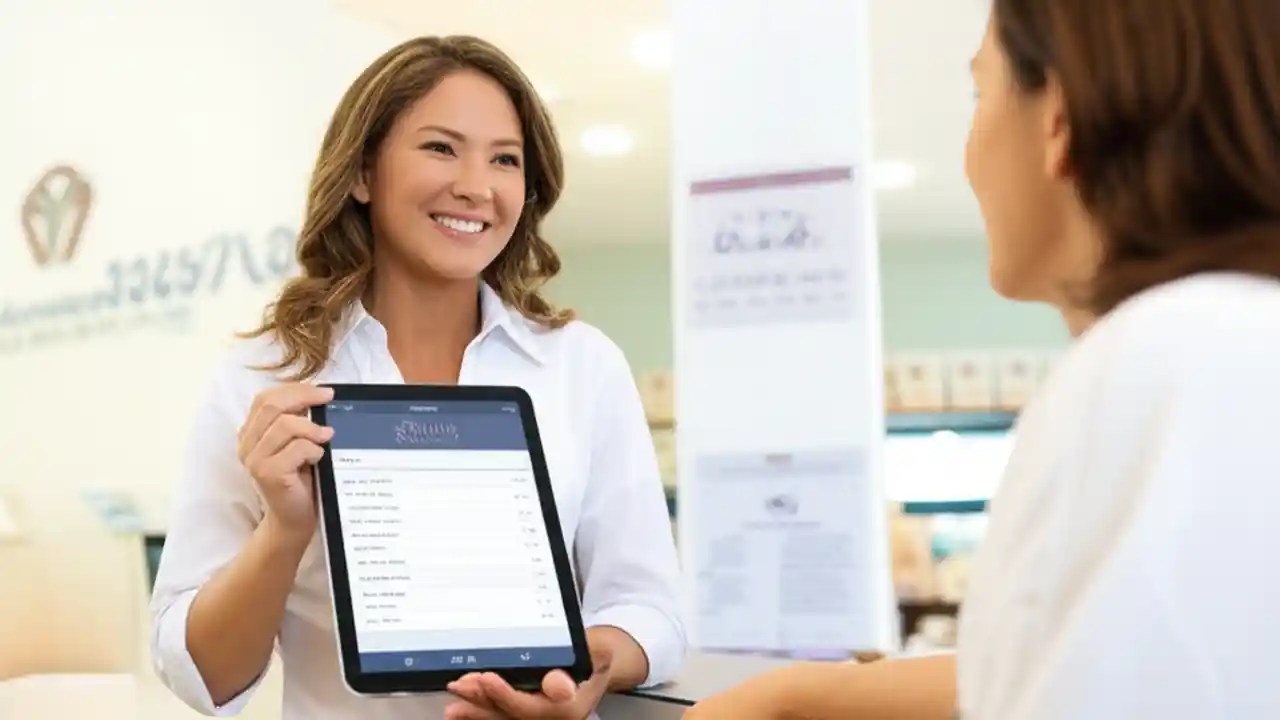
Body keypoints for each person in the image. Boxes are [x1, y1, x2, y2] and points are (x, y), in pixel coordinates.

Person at [685, 0, 1280, 717]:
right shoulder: (1228, 342)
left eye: (980, 92)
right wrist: (805, 691)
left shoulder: (1155, 364)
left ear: (1057, 115)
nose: (969, 153)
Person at [150, 35, 685, 720]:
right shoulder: (263, 377)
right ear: (362, 173)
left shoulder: (582, 366)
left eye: (505, 159)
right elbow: (201, 678)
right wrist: (283, 531)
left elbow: (653, 611)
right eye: (441, 147)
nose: (476, 185)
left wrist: (577, 667)